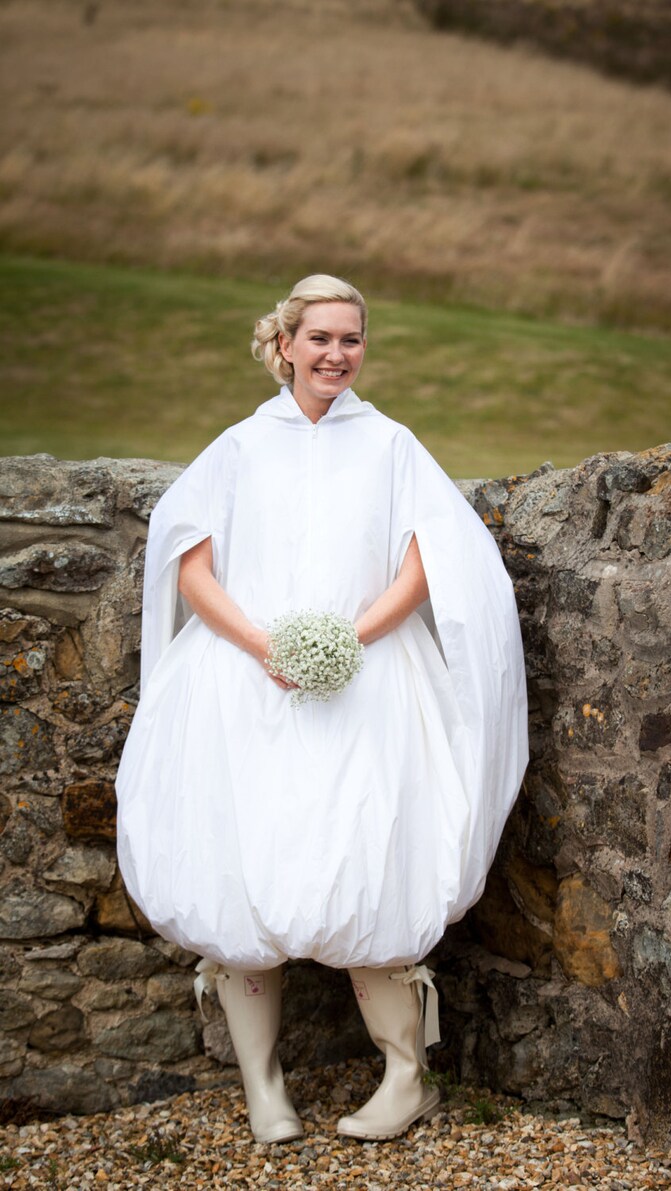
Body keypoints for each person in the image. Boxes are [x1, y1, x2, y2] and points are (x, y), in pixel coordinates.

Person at [116, 275, 528, 1145]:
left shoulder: (390, 446)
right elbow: (191, 565)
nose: (336, 354)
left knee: (368, 869)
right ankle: (264, 1087)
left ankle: (406, 1078)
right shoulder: (237, 447)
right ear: (285, 345)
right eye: (320, 339)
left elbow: (428, 559)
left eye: (351, 339)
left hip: (367, 686)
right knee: (240, 870)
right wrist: (265, 647)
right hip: (243, 686)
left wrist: (352, 638)